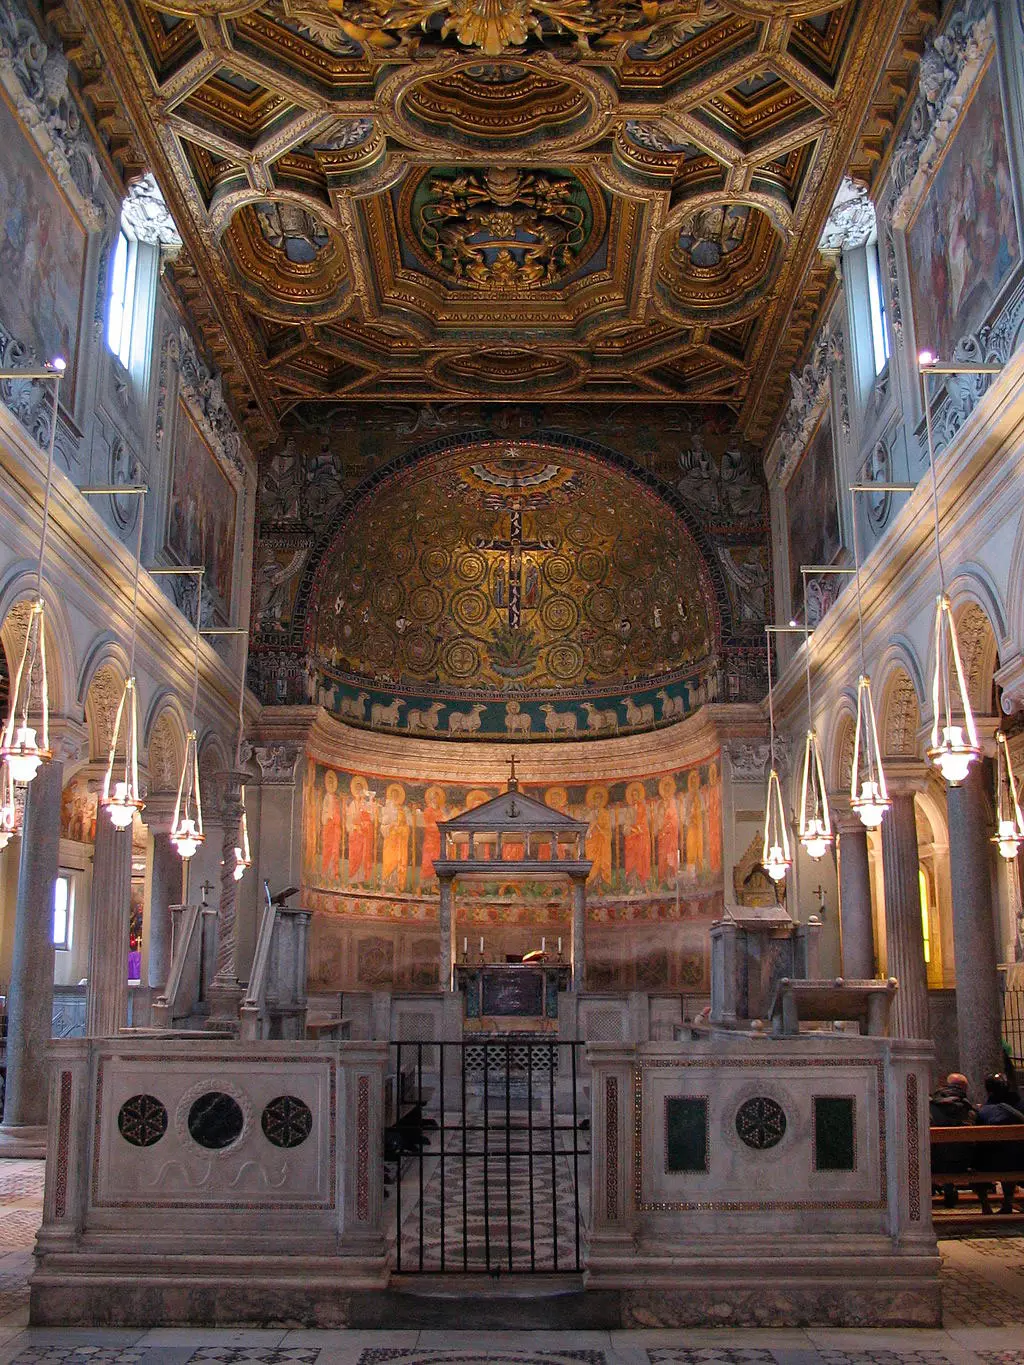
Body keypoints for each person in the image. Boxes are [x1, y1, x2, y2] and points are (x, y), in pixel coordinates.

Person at [976, 1073, 1024, 1214]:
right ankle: (1007, 1203)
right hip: (1019, 1162)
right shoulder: (1020, 1106)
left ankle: (985, 1205)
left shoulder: (985, 1111)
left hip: (990, 1164)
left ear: (989, 1091)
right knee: (1010, 1154)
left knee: (976, 1160)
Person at [929, 1073, 977, 1208]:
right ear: (965, 1088)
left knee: (939, 1150)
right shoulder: (968, 1110)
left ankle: (943, 1190)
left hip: (935, 1164)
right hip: (963, 1164)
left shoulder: (931, 1106)